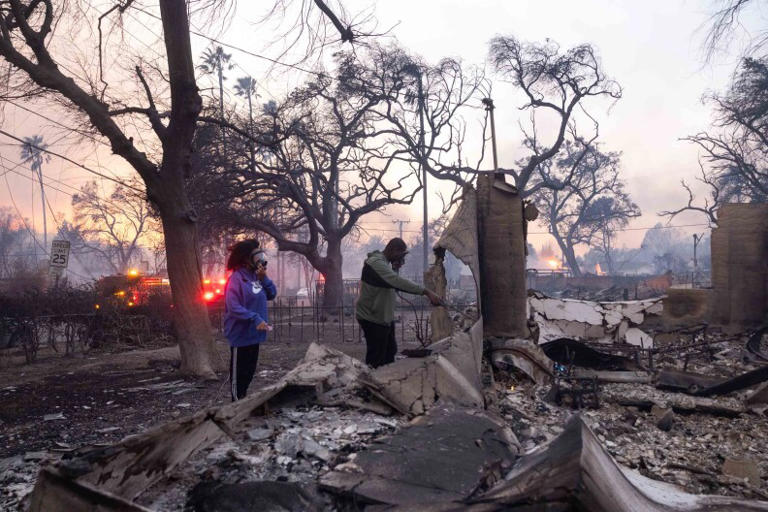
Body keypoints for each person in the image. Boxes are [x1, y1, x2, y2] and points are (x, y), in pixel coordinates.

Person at [356, 237, 442, 368]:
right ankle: (371, 384)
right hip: (372, 317)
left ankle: (386, 382)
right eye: (400, 255)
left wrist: (395, 268)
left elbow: (391, 282)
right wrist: (427, 292)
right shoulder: (375, 263)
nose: (400, 259)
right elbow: (396, 282)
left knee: (390, 352)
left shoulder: (384, 264)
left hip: (383, 317)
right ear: (394, 250)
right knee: (377, 358)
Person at [223, 239, 277, 401]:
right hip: (240, 337)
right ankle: (234, 408)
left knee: (249, 375)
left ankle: (242, 403)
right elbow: (233, 307)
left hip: (255, 336)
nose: (260, 259)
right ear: (247, 258)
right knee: (238, 379)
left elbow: (272, 294)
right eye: (256, 255)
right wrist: (254, 317)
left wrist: (264, 278)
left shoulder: (256, 277)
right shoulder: (236, 279)